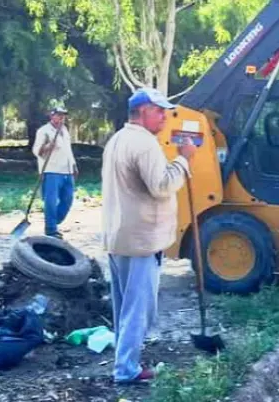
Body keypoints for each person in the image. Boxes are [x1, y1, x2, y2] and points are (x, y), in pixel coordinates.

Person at [102, 87, 196, 384]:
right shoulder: (144, 144)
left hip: (119, 238)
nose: (165, 118)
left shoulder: (117, 140)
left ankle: (124, 362)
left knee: (124, 309)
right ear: (143, 111)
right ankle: (126, 370)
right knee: (137, 311)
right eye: (160, 111)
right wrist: (184, 159)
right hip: (141, 241)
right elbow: (161, 186)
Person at [32, 107, 78, 238]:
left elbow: (68, 150)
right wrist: (47, 146)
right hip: (51, 170)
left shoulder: (64, 130)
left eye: (63, 115)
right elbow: (36, 151)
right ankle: (51, 228)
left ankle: (53, 220)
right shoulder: (44, 131)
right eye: (59, 115)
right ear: (52, 116)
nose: (62, 118)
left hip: (67, 170)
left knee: (68, 199)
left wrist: (73, 164)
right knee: (50, 201)